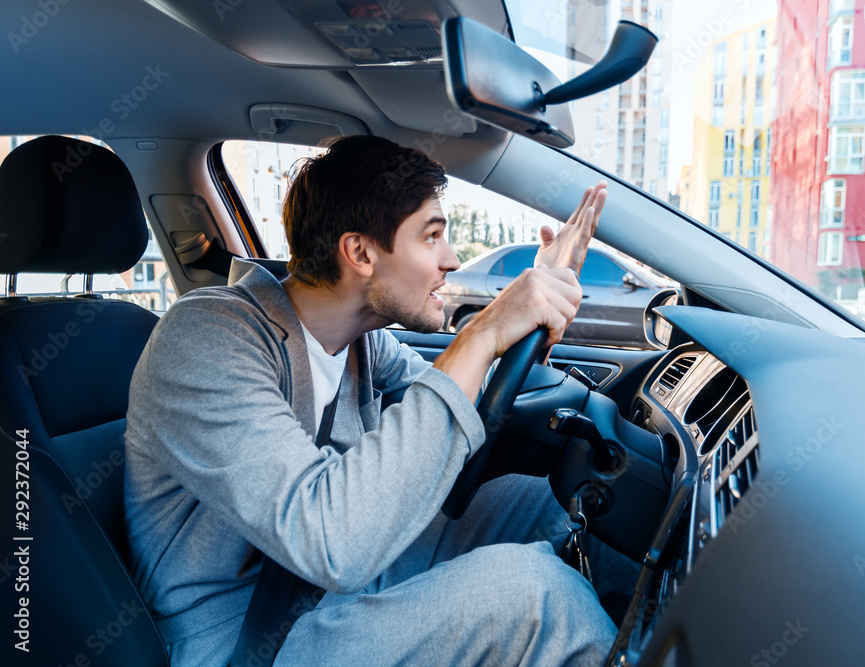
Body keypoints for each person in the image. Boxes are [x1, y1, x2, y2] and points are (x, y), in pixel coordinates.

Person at [124, 135, 615, 666]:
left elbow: (458, 409)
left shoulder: (361, 340)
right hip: (245, 638)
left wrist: (527, 323)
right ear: (359, 252)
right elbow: (330, 539)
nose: (451, 259)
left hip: (328, 588)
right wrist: (482, 332)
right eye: (431, 237)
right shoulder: (206, 338)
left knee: (551, 496)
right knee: (539, 597)